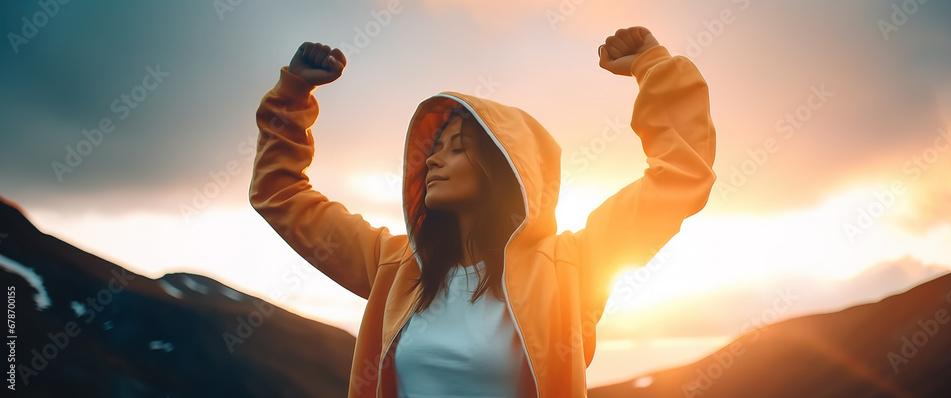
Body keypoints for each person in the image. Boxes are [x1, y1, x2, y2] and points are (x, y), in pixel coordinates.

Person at [249, 26, 717, 398]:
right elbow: (281, 195)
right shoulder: (393, 267)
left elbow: (679, 177)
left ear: (503, 171)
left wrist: (653, 68)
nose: (432, 159)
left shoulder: (572, 265)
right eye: (434, 148)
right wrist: (292, 98)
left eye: (456, 149)